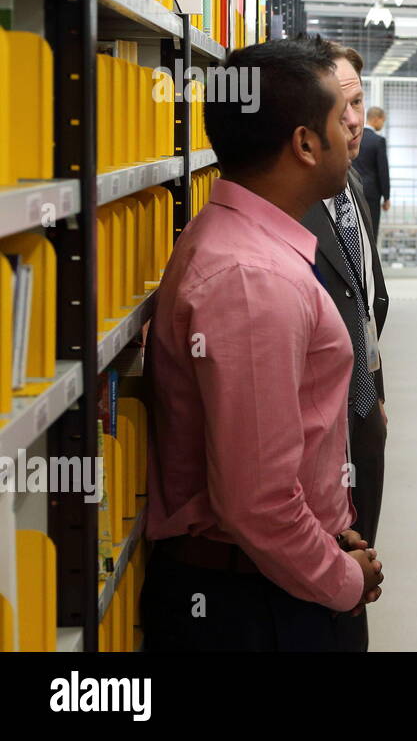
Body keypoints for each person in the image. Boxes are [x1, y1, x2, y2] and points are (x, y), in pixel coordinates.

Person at [141, 37, 383, 651]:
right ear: (305, 144)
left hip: (265, 579)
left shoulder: (241, 242)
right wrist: (342, 580)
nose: (351, 130)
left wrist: (334, 532)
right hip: (256, 605)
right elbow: (257, 501)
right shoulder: (254, 280)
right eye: (337, 118)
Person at [299, 40, 390, 652]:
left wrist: (375, 396)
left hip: (362, 418)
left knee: (355, 566)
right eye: (341, 107)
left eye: (358, 102)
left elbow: (365, 304)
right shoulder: (293, 203)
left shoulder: (349, 186)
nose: (354, 119)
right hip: (315, 436)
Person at [354, 105, 390, 227]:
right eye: (383, 121)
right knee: (371, 229)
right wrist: (386, 197)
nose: (383, 124)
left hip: (354, 189)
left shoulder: (355, 137)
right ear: (376, 119)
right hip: (372, 194)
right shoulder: (378, 141)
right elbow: (383, 171)